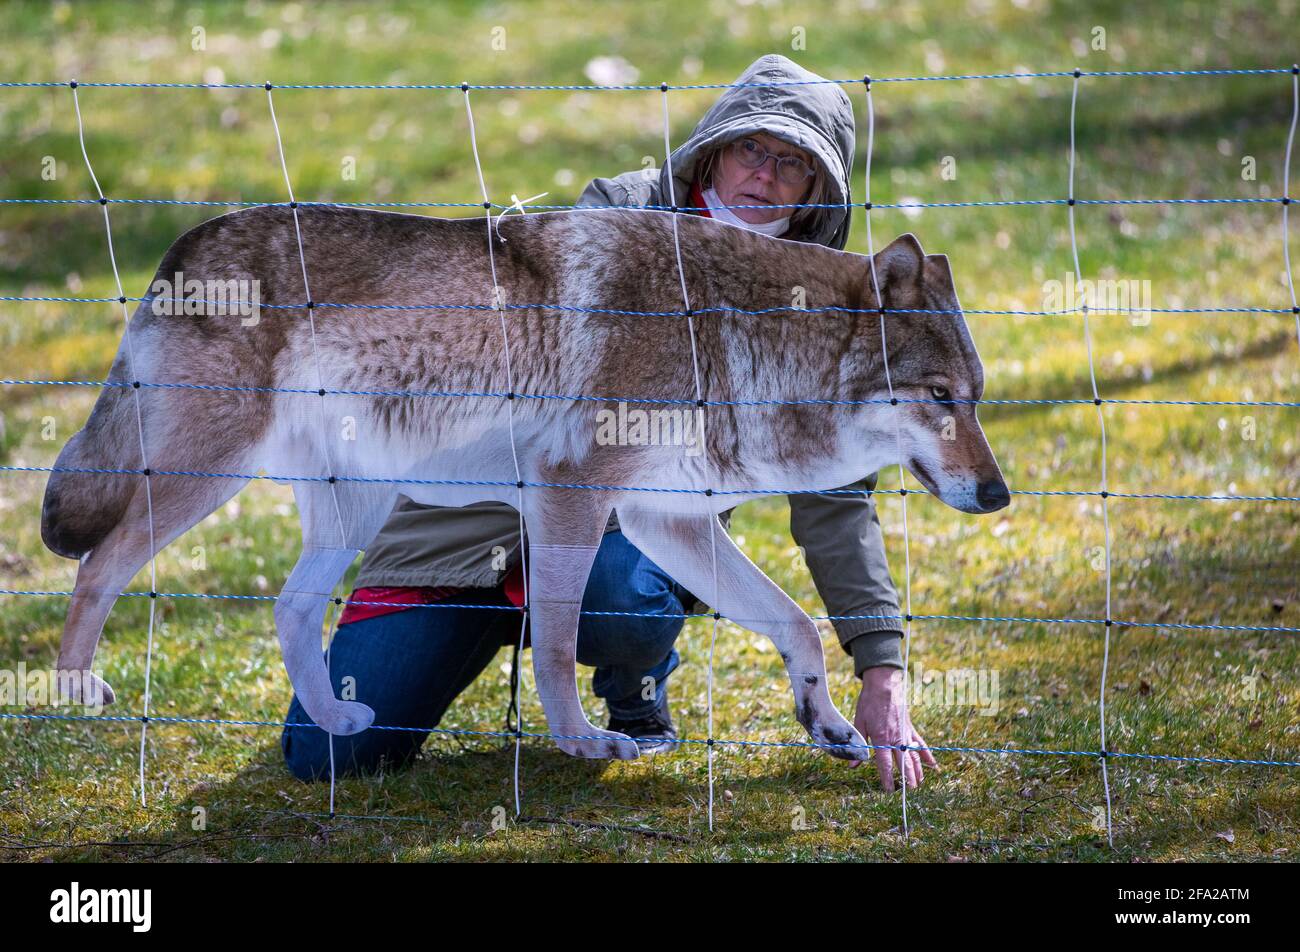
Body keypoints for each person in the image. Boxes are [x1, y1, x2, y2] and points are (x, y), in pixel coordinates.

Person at [281, 53, 937, 791]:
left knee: (624, 600)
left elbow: (839, 498)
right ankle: (488, 630)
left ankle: (632, 685)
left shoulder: (824, 306)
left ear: (819, 188)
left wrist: (880, 663)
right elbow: (562, 428)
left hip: (623, 538)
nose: (766, 174)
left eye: (794, 164)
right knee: (326, 758)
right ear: (713, 151)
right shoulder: (615, 213)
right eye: (752, 147)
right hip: (463, 531)